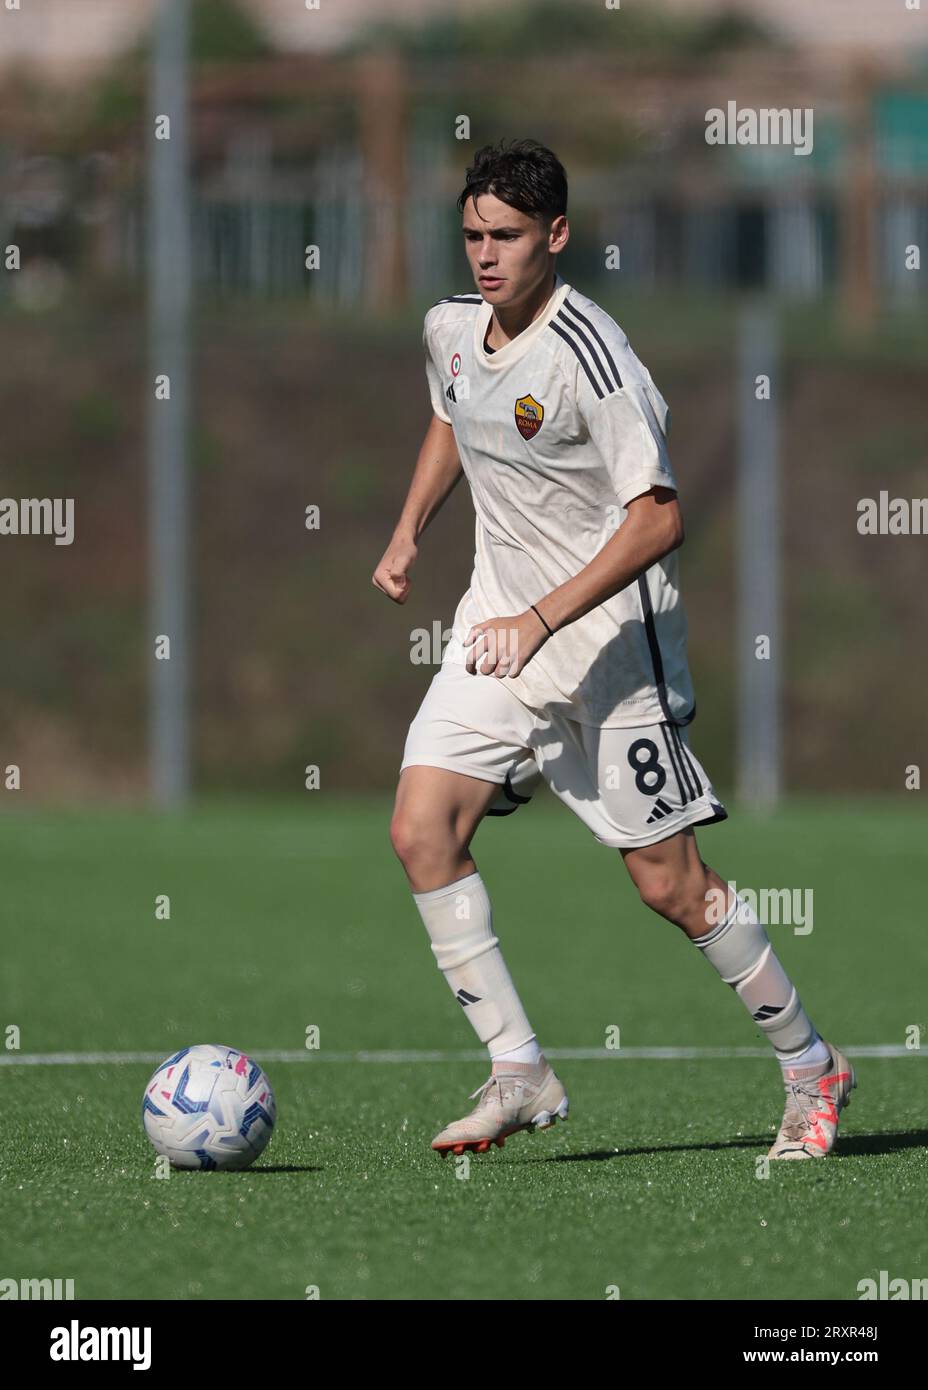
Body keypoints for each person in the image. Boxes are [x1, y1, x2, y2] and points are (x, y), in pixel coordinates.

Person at [373, 138, 855, 1160]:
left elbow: (657, 520)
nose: (484, 256)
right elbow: (454, 416)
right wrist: (410, 525)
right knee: (420, 830)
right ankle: (520, 1069)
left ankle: (813, 1068)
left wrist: (542, 618)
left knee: (669, 884)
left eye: (505, 236)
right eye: (470, 236)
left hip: (605, 648)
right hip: (493, 628)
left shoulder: (595, 358)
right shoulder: (450, 329)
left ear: (556, 234)